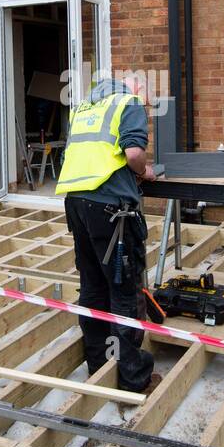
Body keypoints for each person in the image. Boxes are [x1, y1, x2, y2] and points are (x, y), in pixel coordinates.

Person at [54, 73, 161, 395]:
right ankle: (133, 379)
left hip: (77, 203)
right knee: (125, 292)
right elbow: (133, 154)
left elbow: (79, 155)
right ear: (136, 89)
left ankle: (98, 365)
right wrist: (145, 172)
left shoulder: (84, 108)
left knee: (92, 286)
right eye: (147, 99)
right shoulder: (128, 103)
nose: (147, 105)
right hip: (111, 211)